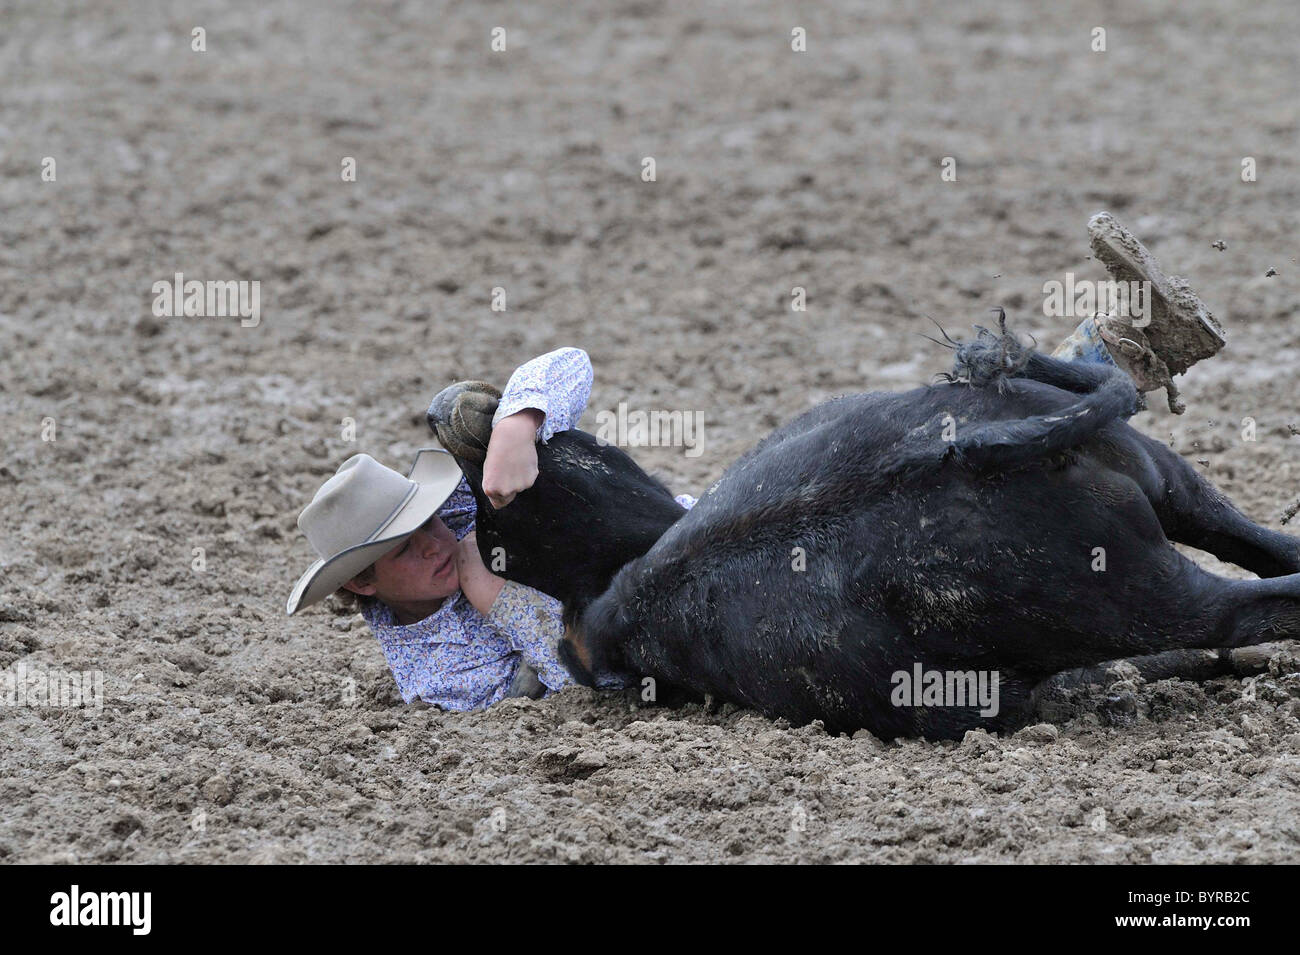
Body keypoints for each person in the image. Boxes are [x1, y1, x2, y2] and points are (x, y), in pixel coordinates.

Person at [287, 219, 1219, 712]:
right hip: (708, 625)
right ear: (365, 591)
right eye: (405, 552)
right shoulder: (432, 675)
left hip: (723, 530)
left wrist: (521, 419)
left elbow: (563, 366)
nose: (433, 547)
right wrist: (492, 594)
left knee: (907, 441)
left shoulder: (476, 513)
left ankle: (1110, 352)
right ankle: (1163, 628)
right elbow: (575, 680)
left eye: (424, 524)